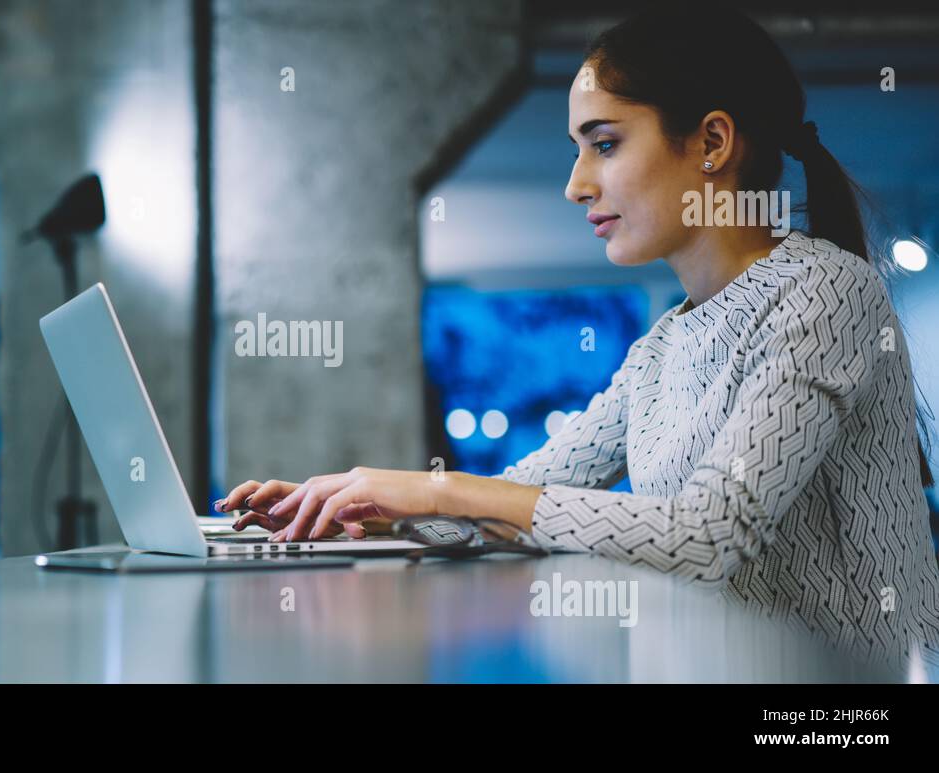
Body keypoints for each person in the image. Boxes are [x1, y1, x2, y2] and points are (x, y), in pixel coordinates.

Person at [216, 6, 939, 676]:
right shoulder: (662, 346)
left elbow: (709, 533)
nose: (576, 185)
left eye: (604, 144)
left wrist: (431, 486)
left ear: (712, 142)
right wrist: (361, 515)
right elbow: (521, 497)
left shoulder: (828, 289)